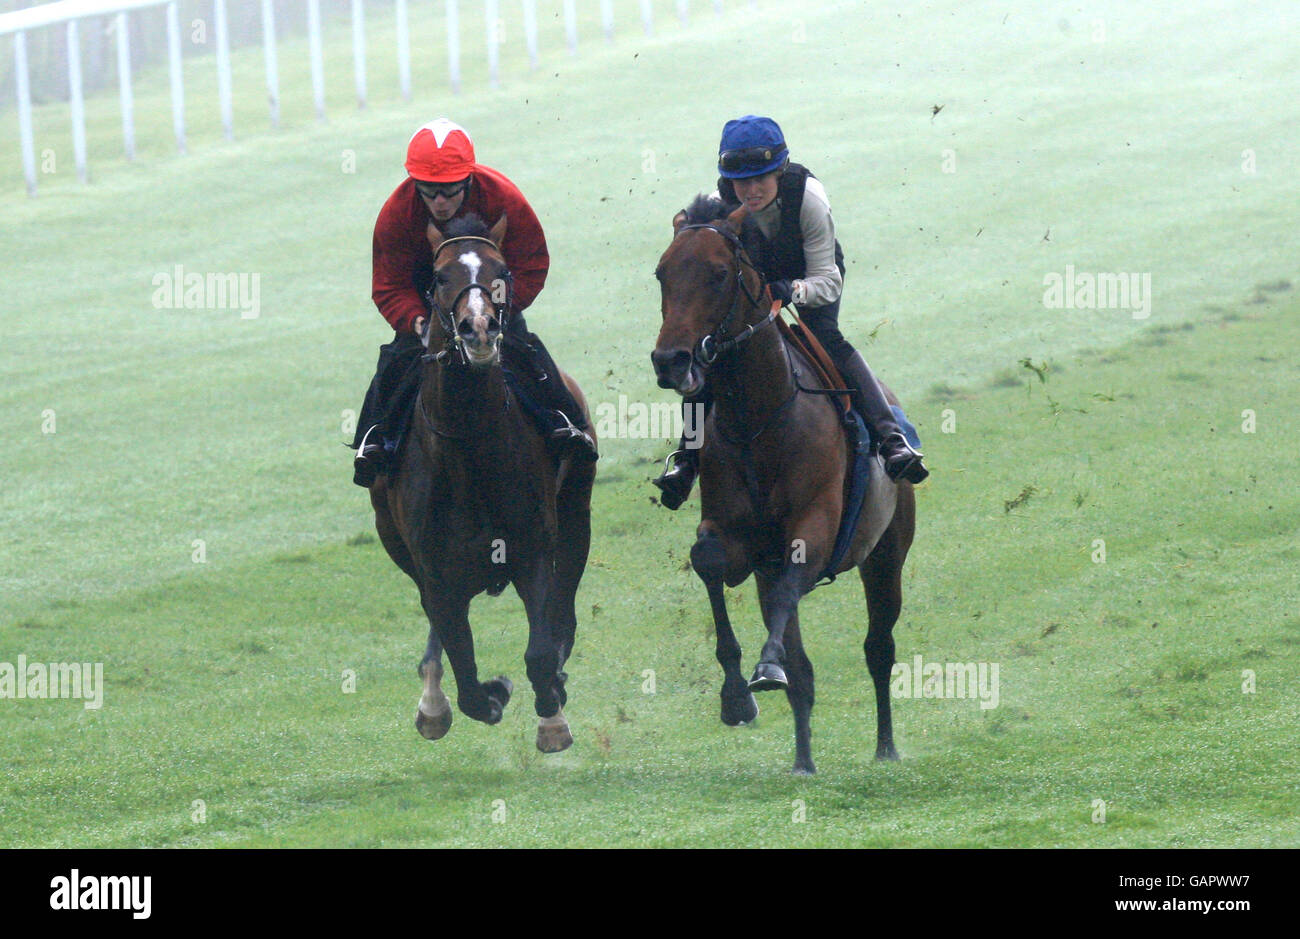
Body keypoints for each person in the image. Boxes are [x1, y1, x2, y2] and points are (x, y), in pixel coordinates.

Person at [652, 115, 928, 509]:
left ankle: (890, 438)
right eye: (740, 182)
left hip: (811, 278)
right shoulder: (717, 204)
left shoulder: (809, 198)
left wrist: (790, 290)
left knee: (826, 340)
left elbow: (827, 281)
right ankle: (687, 458)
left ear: (780, 170)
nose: (750, 190)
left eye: (760, 178)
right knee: (712, 361)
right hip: (751, 285)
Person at [351, 118, 598, 486]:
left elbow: (531, 264)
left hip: (493, 291)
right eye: (428, 191)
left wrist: (496, 309)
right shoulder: (397, 213)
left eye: (449, 191)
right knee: (396, 360)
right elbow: (389, 284)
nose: (439, 202)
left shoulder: (504, 199)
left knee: (524, 348)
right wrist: (418, 322)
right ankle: (373, 442)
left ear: (469, 178)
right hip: (431, 296)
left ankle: (568, 425)